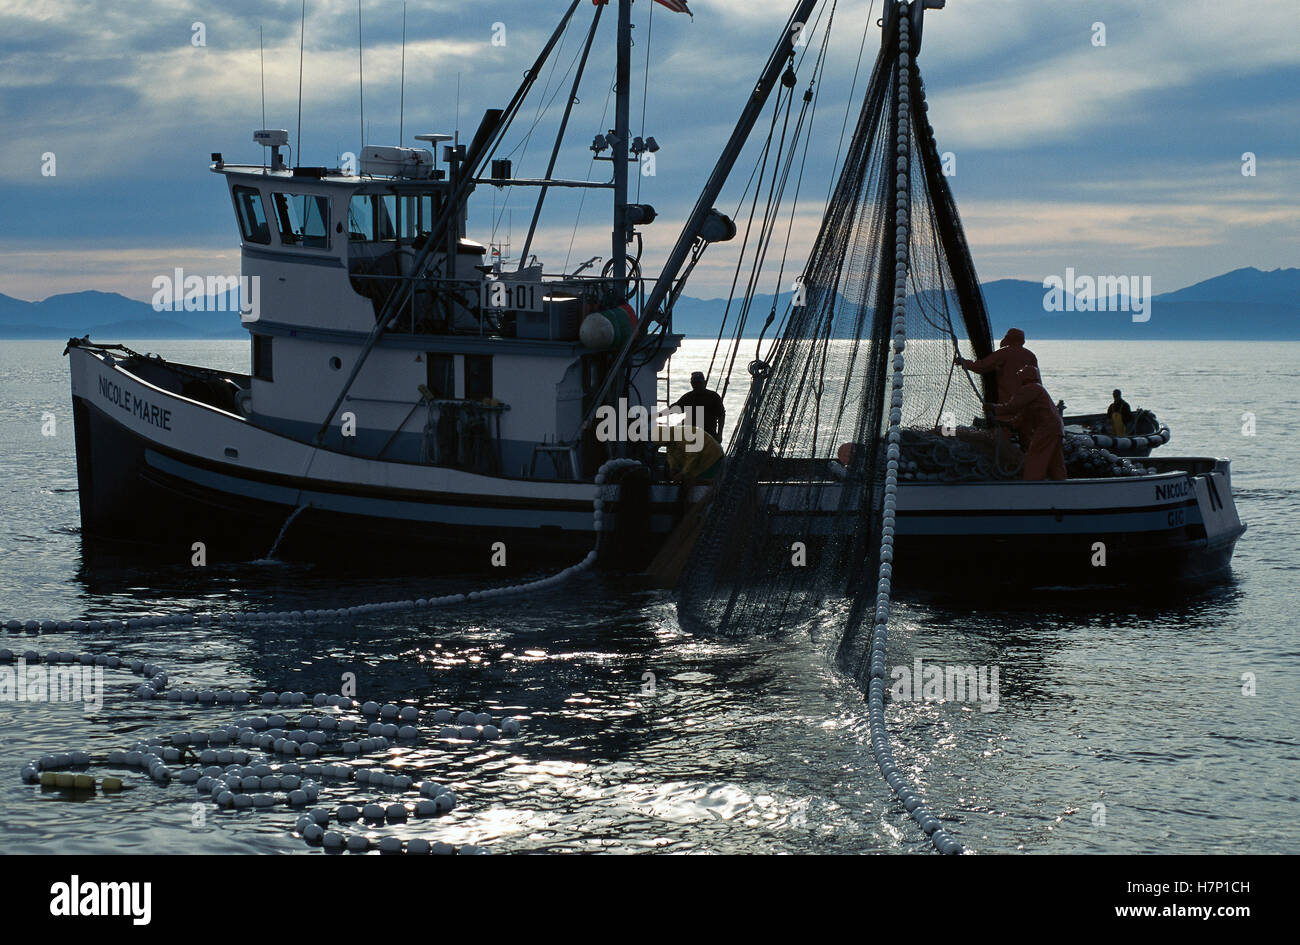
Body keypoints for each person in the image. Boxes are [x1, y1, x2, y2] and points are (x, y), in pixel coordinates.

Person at [992, 365, 1066, 481]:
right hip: (1056, 428)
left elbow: (1012, 407)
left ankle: (1031, 483)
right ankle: (1062, 484)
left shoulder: (1031, 388)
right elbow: (1023, 416)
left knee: (1035, 457)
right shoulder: (1037, 390)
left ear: (1026, 376)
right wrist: (1008, 423)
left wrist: (993, 408)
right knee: (1055, 460)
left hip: (1047, 428)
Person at [957, 328, 1039, 404]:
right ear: (1022, 341)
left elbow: (982, 366)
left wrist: (964, 362)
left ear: (1008, 338)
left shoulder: (1004, 352)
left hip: (1008, 400)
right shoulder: (1031, 356)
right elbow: (1037, 380)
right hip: (1029, 401)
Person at [668, 371, 725, 441]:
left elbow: (721, 416)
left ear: (704, 382)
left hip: (708, 437)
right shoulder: (687, 397)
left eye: (699, 383)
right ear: (691, 384)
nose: (696, 385)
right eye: (694, 383)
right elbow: (672, 409)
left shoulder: (713, 396)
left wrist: (719, 435)